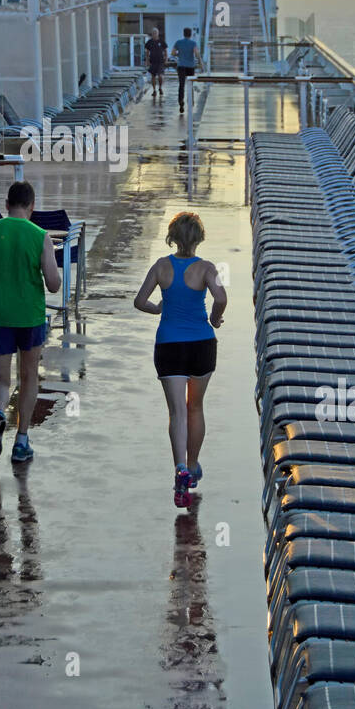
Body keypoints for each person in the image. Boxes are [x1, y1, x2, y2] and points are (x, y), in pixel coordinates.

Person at [133, 211, 227, 508]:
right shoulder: (206, 268)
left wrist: (158, 309)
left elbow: (139, 301)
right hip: (201, 343)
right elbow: (221, 297)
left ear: (172, 238)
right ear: (199, 239)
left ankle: (181, 469)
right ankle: (194, 461)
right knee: (195, 407)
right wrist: (215, 317)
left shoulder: (161, 266)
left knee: (177, 413)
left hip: (170, 345)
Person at [0, 181, 62, 463]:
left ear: (6, 204)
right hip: (29, 315)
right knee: (29, 376)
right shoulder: (40, 235)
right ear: (32, 206)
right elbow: (54, 284)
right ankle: (21, 440)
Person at [170, 28, 202, 114]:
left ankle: (181, 102)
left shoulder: (178, 42)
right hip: (190, 67)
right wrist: (200, 63)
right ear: (190, 34)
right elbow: (196, 54)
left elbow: (172, 53)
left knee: (181, 85)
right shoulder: (193, 43)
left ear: (183, 34)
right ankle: (190, 101)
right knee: (190, 84)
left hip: (181, 66)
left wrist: (179, 53)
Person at [144, 27, 167, 97]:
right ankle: (154, 90)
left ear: (158, 33)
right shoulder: (149, 42)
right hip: (153, 62)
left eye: (155, 33)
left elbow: (165, 51)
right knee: (153, 76)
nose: (154, 34)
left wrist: (166, 59)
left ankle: (160, 88)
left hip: (160, 62)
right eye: (153, 33)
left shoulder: (161, 41)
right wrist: (147, 61)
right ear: (152, 34)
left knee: (160, 76)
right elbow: (147, 52)